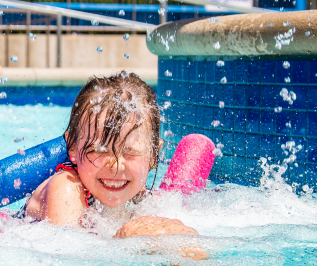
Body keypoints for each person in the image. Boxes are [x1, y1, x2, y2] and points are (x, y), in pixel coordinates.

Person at [23, 72, 201, 243]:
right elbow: (65, 255)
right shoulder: (67, 188)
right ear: (73, 147)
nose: (116, 166)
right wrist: (126, 236)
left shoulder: (142, 198)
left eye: (130, 152)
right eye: (100, 150)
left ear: (154, 154)